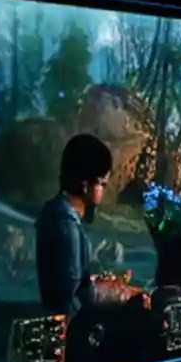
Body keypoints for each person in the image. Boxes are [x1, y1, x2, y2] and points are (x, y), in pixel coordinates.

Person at [36, 133, 113, 318]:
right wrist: (117, 294)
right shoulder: (66, 222)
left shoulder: (56, 213)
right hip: (71, 328)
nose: (103, 190)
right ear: (86, 184)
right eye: (102, 184)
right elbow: (70, 293)